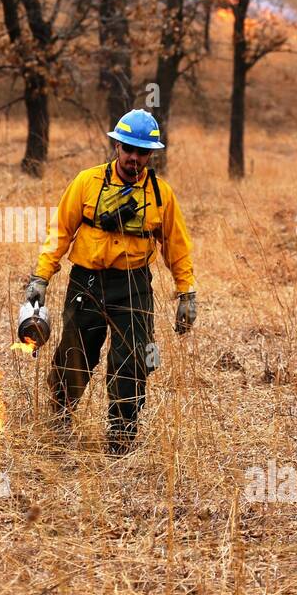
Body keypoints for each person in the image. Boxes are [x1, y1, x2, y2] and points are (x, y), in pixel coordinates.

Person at [23, 109, 196, 455]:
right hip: (85, 283)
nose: (134, 158)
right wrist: (41, 277)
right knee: (74, 355)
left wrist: (186, 293)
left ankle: (121, 436)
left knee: (132, 361)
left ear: (151, 155)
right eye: (128, 149)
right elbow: (60, 232)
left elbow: (177, 246)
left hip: (133, 286)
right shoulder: (86, 183)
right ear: (116, 146)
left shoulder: (161, 195)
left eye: (142, 152)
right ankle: (59, 421)